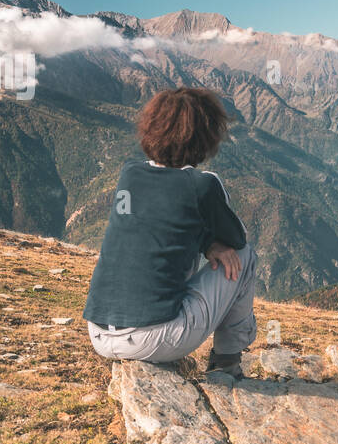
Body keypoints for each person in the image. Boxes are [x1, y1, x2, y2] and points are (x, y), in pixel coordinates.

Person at [83, 87, 256, 376]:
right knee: (244, 257)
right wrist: (212, 243)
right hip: (154, 338)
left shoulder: (130, 173)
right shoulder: (203, 185)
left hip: (99, 334)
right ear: (205, 137)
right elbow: (236, 239)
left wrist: (206, 244)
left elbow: (163, 223)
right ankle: (227, 363)